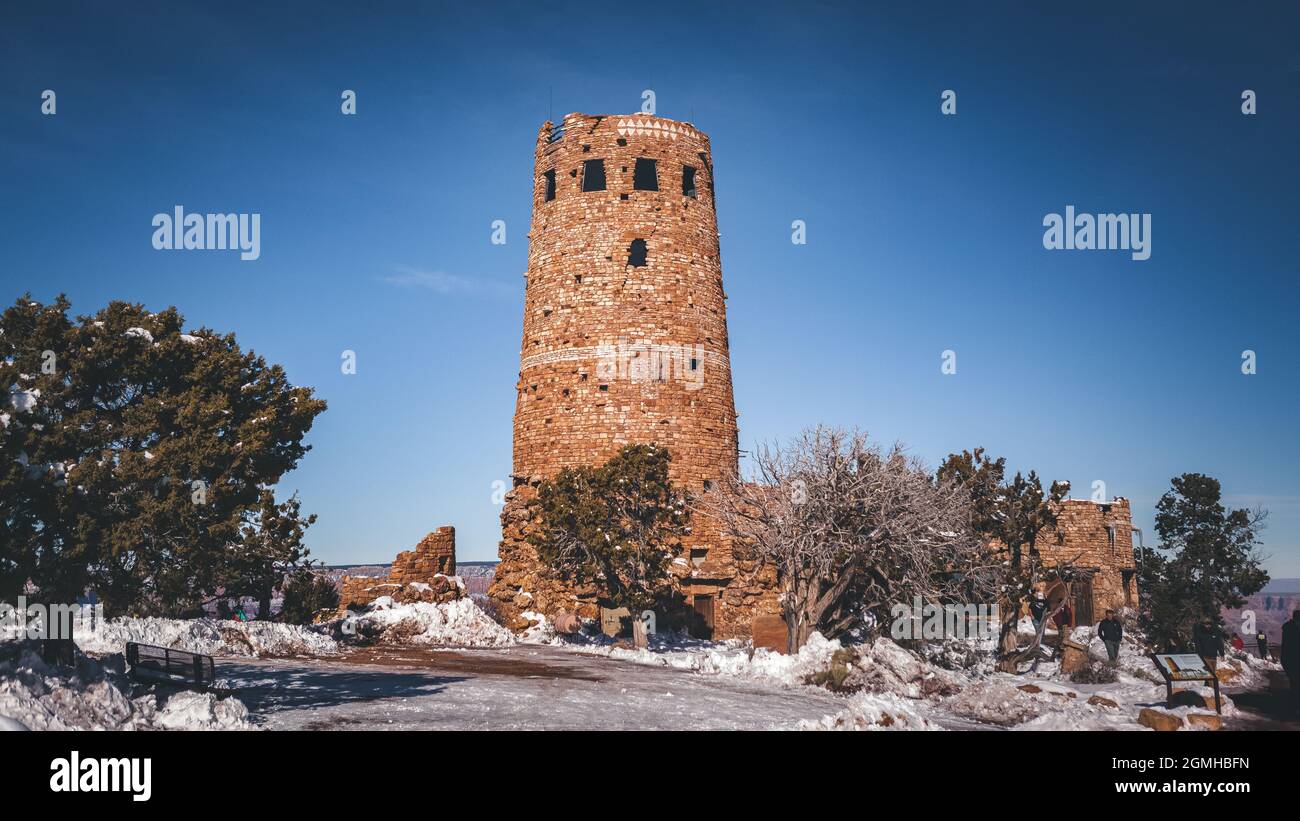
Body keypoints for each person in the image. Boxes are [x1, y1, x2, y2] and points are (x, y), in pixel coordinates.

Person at [1282, 610, 1299, 710]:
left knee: (1294, 684)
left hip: (1289, 659)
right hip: (1293, 659)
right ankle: (1294, 706)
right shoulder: (1292, 629)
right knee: (1296, 684)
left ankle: (1294, 705)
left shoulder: (1288, 628)